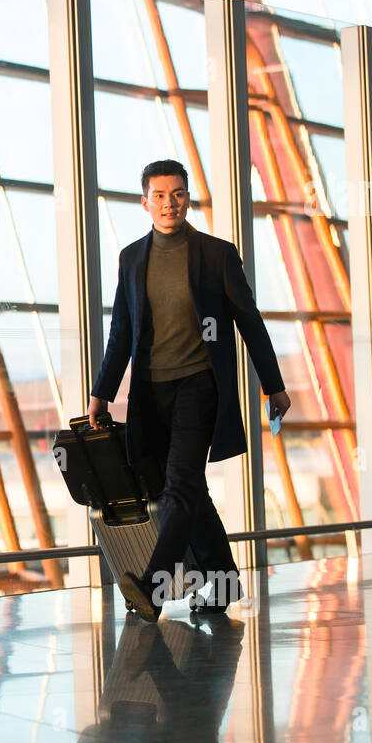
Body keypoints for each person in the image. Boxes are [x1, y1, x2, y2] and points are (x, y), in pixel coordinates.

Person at [87, 159, 290, 622]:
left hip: (199, 386)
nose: (169, 203)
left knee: (179, 487)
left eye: (177, 194)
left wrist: (273, 385)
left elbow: (249, 323)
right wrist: (101, 393)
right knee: (181, 488)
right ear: (145, 203)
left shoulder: (217, 255)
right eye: (159, 195)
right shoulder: (132, 258)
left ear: (188, 198)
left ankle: (152, 588)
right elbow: (121, 332)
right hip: (150, 393)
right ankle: (223, 582)